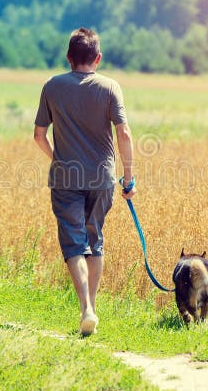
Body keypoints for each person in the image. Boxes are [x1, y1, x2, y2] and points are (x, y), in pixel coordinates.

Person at [33, 27, 136, 336]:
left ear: (68, 58)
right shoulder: (110, 87)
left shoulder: (52, 86)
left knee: (74, 244)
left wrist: (58, 158)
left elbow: (39, 135)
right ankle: (92, 307)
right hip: (103, 178)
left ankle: (86, 309)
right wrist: (128, 178)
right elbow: (125, 133)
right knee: (95, 239)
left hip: (66, 178)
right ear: (98, 58)